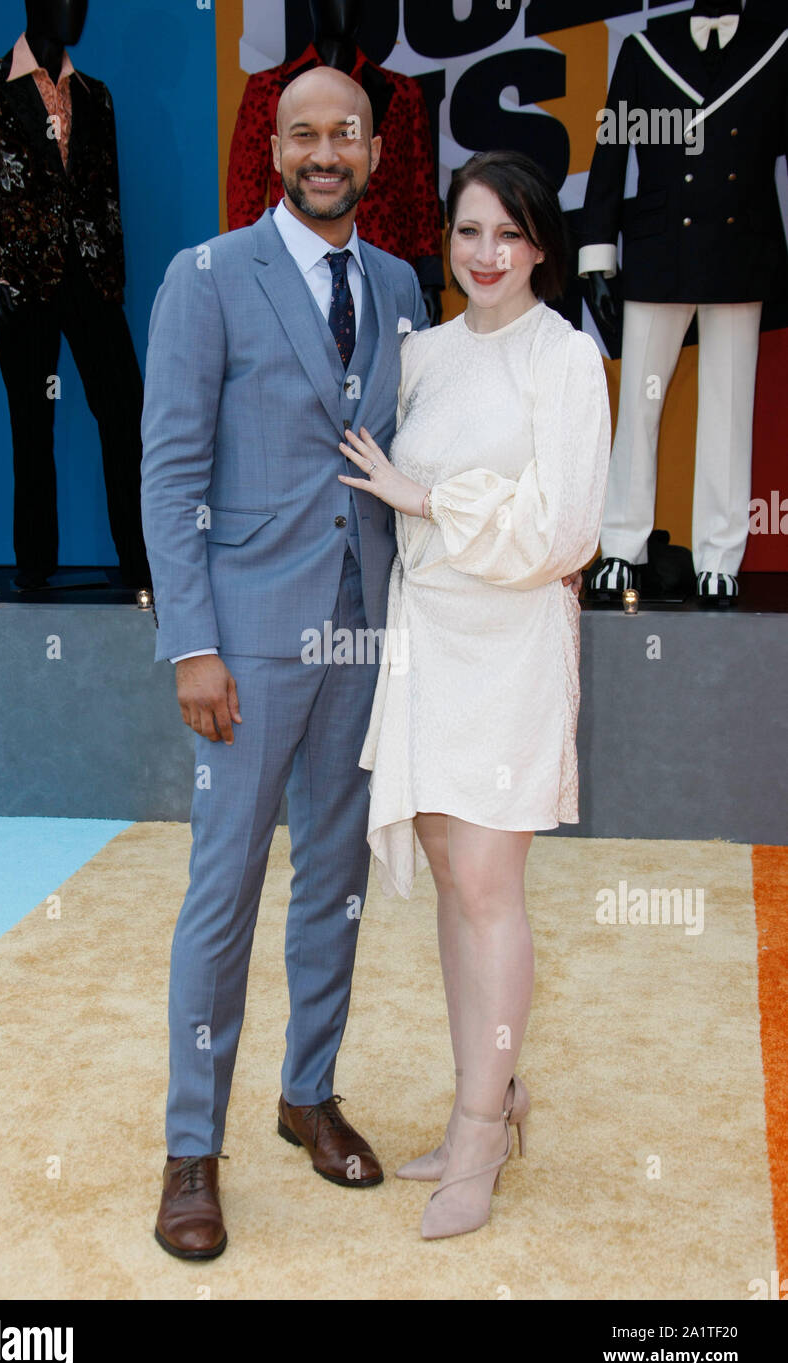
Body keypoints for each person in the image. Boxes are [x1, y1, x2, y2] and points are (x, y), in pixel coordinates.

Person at [140, 65, 429, 1260]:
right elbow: (168, 471)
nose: (325, 151)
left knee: (333, 883)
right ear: (274, 147)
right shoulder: (204, 277)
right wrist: (192, 644)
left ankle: (305, 1093)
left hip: (363, 637)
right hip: (248, 644)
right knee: (224, 895)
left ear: (370, 151)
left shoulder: (403, 281)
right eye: (303, 132)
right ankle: (189, 1148)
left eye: (344, 134)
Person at [338, 150, 612, 1240]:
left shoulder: (566, 361)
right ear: (444, 243)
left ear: (540, 244)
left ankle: (477, 1129)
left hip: (508, 647)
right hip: (429, 640)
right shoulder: (423, 355)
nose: (485, 254)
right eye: (466, 233)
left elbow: (563, 535)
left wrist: (429, 496)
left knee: (489, 881)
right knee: (455, 877)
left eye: (506, 233)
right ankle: (488, 1096)